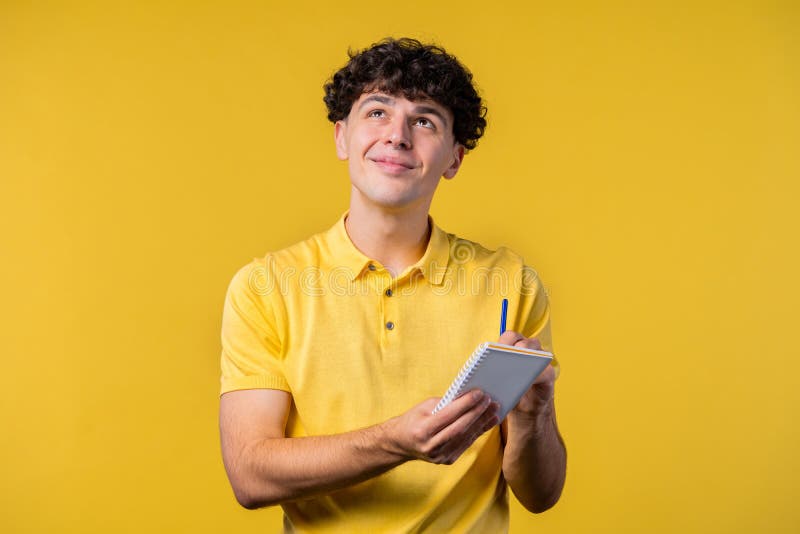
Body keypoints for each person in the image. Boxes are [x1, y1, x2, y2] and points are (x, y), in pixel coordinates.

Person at [219, 37, 566, 532]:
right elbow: (250, 476)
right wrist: (398, 441)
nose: (398, 135)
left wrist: (535, 415)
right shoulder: (265, 286)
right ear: (342, 138)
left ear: (454, 159)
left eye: (425, 120)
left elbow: (541, 495)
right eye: (377, 112)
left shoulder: (512, 283)